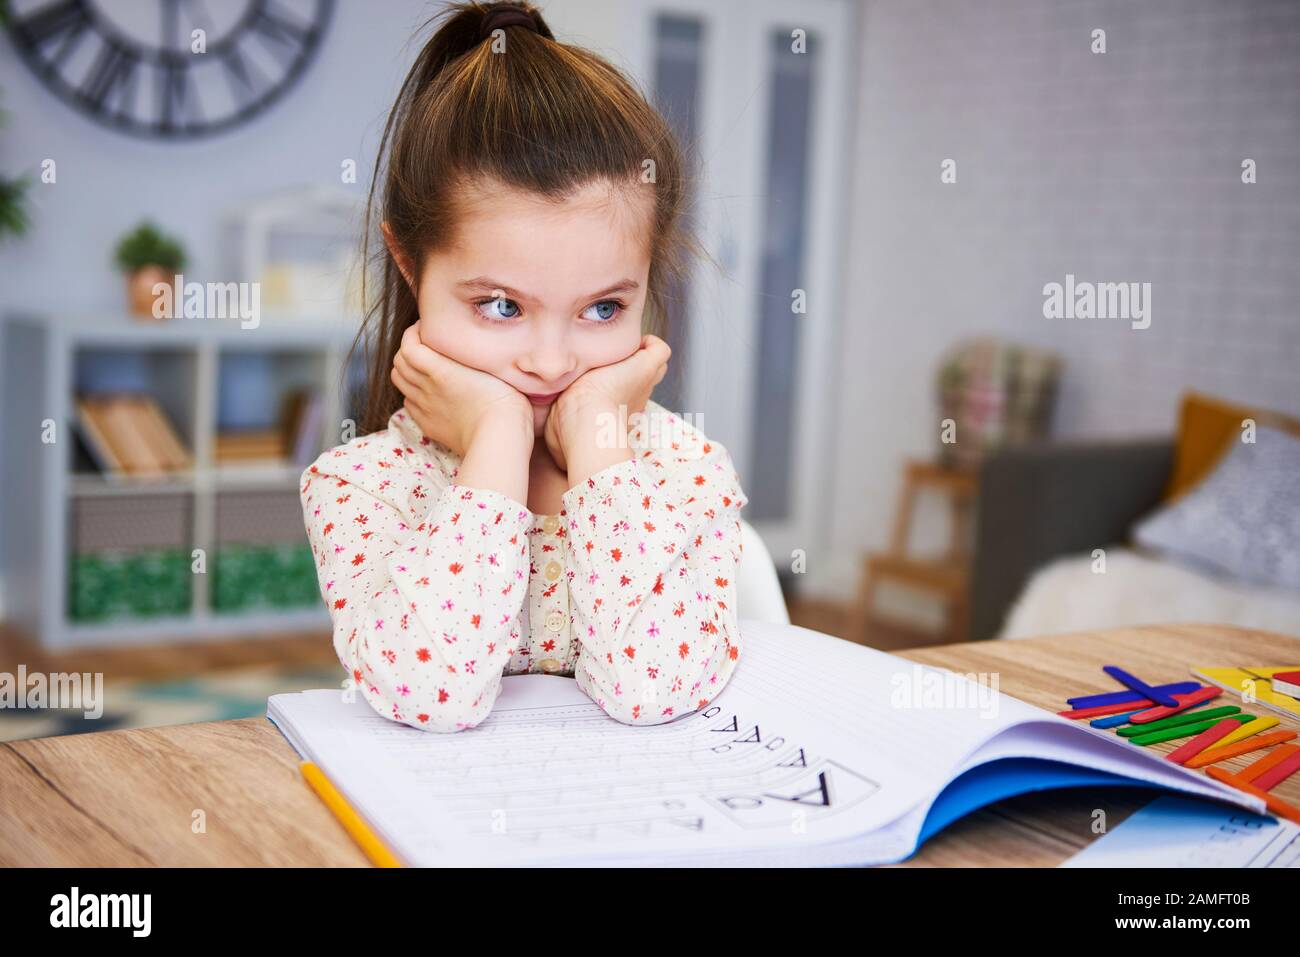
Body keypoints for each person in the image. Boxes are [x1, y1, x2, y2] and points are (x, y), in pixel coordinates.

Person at [300, 1, 749, 733]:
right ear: (410, 265)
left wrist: (601, 443)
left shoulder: (684, 469)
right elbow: (427, 693)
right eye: (502, 306)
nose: (550, 363)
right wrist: (497, 439)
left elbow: (654, 688)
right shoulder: (363, 488)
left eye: (602, 308)